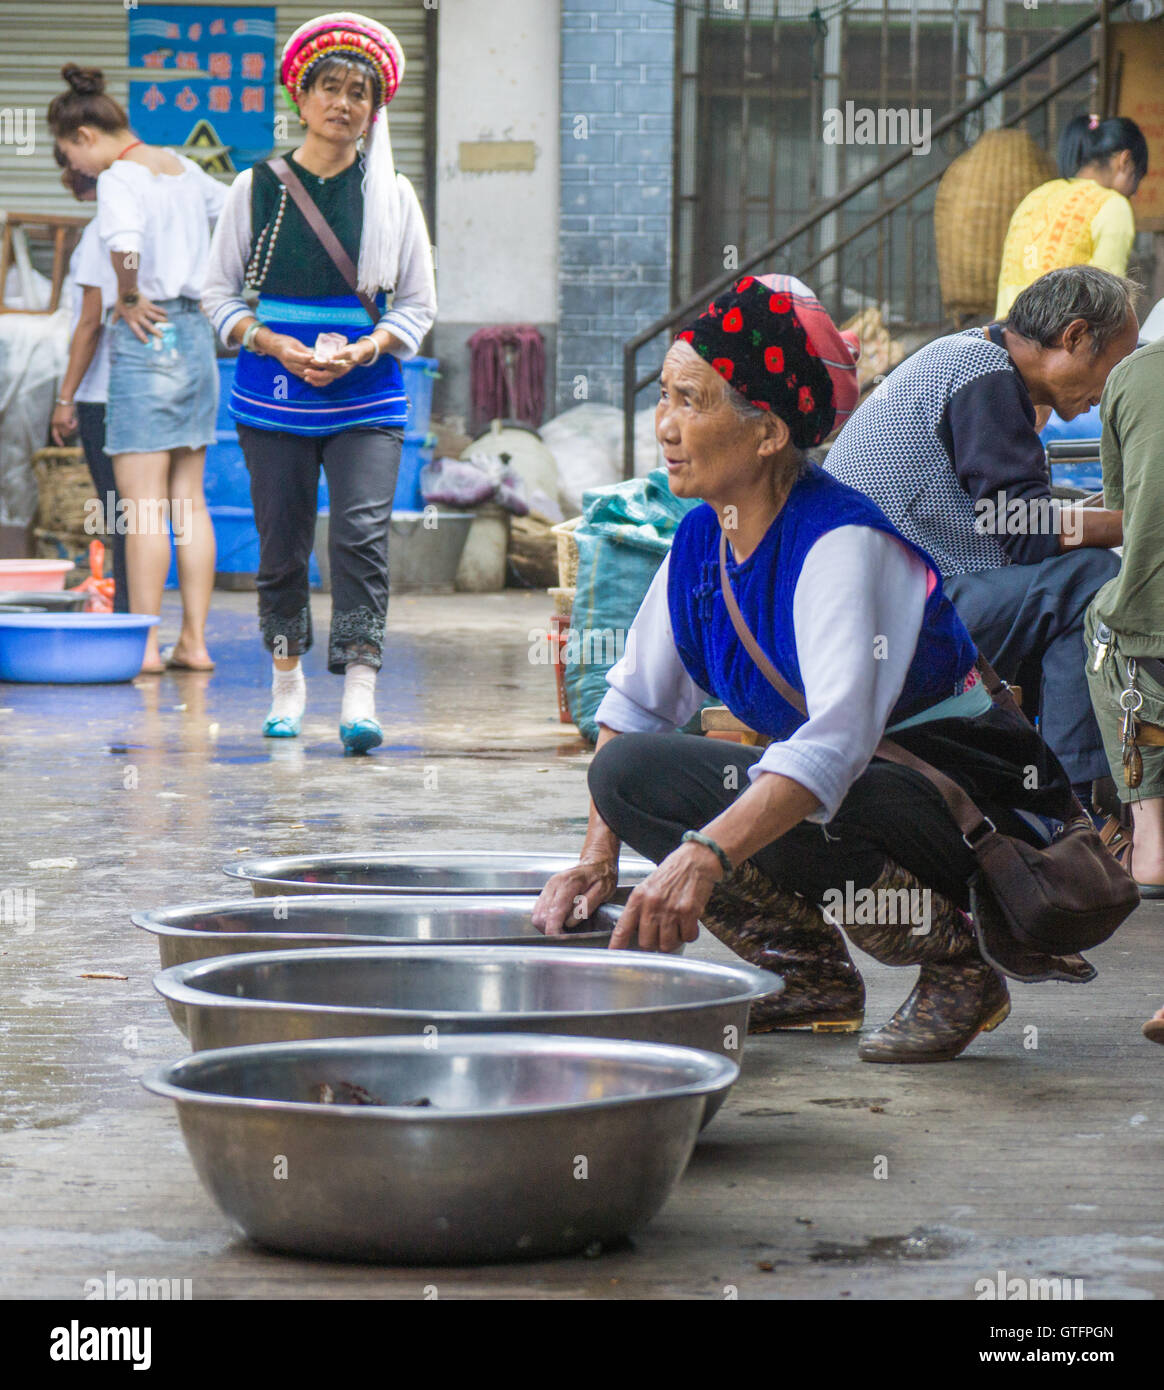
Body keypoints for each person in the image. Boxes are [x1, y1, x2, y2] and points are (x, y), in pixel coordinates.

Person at [532, 274, 1089, 1065]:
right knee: (626, 774)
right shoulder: (700, 541)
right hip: (868, 787)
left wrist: (705, 853)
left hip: (969, 808)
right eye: (665, 396)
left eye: (694, 401)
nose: (666, 426)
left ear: (767, 434)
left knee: (822, 791)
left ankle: (956, 964)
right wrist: (597, 860)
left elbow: (834, 743)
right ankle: (809, 976)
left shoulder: (841, 542)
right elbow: (632, 710)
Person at [202, 12, 436, 754]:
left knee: (362, 537)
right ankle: (285, 682)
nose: (342, 103)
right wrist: (271, 342)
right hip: (273, 395)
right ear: (299, 99)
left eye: (357, 93)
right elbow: (216, 295)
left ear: (375, 107)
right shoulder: (257, 186)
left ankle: (361, 694)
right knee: (281, 542)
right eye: (327, 88)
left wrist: (366, 349)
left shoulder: (393, 195)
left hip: (366, 394)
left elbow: (419, 307)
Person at [825, 266, 1139, 812]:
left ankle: (1040, 789)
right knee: (1091, 579)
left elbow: (1020, 517)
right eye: (1115, 366)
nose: (1110, 390)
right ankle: (1070, 809)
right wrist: (1143, 521)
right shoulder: (983, 373)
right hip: (892, 620)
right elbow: (1023, 528)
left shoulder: (972, 356)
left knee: (1077, 576)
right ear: (1074, 338)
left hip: (892, 606)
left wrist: (1119, 513)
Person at [48, 63, 224, 675]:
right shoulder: (183, 165)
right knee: (189, 503)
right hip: (196, 334)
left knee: (144, 507)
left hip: (147, 335)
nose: (77, 166)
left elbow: (123, 240)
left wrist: (127, 292)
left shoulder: (120, 174)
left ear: (86, 135)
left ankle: (145, 647)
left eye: (72, 151)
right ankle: (194, 643)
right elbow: (234, 217)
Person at [1084, 334, 1164, 895]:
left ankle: (1151, 841)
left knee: (1100, 614)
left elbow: (1122, 509)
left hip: (1151, 652)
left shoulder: (1134, 375)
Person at [49, 143, 126, 612]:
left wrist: (65, 398)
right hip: (133, 388)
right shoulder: (128, 231)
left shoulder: (102, 232)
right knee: (133, 510)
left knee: (119, 509)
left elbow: (90, 324)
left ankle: (128, 613)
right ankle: (132, 608)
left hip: (104, 392)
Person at [996, 115, 1147, 319]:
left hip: (1008, 335)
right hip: (1061, 342)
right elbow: (1110, 303)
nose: (1134, 193)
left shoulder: (1036, 195)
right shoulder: (1113, 205)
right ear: (1125, 161)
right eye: (1137, 178)